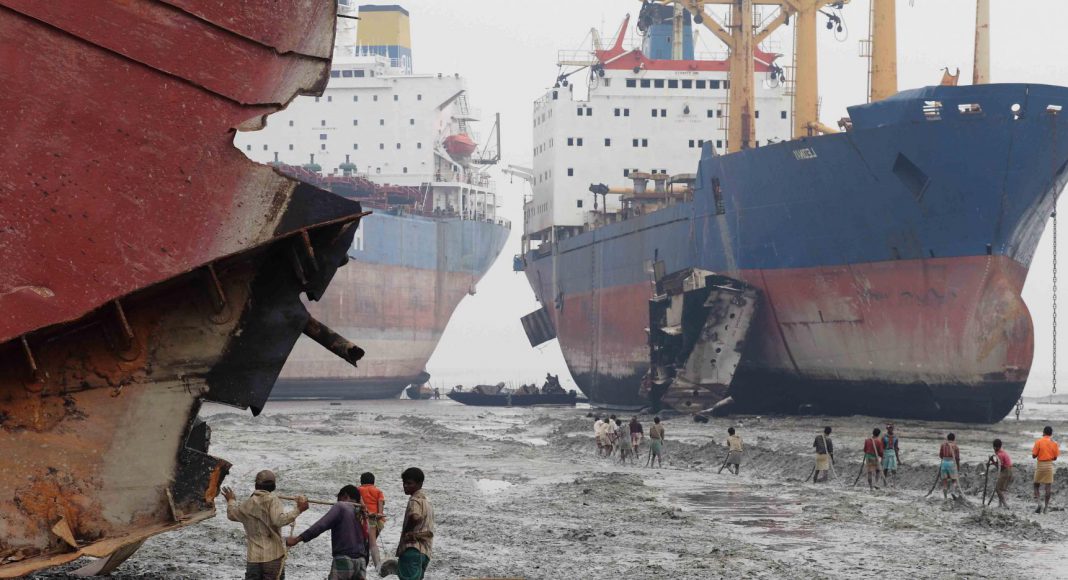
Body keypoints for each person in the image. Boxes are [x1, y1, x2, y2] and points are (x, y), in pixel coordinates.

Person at [223, 470, 308, 580]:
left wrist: (231, 500)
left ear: (256, 485)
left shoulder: (247, 504)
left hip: (253, 559)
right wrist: (299, 509)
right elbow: (279, 521)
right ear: (274, 486)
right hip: (273, 557)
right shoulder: (273, 500)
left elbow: (231, 514)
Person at [286, 485, 370, 580]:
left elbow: (321, 525)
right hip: (361, 563)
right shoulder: (363, 512)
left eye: (339, 498)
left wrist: (298, 539)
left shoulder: (341, 506)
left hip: (344, 561)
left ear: (345, 496)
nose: (337, 502)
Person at [396, 467, 434, 580]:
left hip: (412, 550)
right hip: (425, 552)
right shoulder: (427, 502)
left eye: (409, 483)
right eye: (404, 483)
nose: (405, 486)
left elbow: (415, 516)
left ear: (419, 484)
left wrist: (407, 531)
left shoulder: (414, 500)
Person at [358, 473, 386, 571]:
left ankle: (378, 566)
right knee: (370, 543)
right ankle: (375, 565)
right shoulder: (378, 491)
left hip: (367, 520)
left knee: (371, 543)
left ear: (361, 481)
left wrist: (366, 511)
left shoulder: (359, 489)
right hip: (378, 520)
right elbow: (381, 503)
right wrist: (380, 513)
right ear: (373, 482)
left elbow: (361, 502)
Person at [1032, 426, 1060, 513]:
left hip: (1040, 465)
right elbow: (1055, 458)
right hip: (1049, 466)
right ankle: (1046, 508)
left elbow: (1034, 456)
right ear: (1051, 434)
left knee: (1036, 485)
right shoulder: (1054, 443)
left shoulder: (1038, 441)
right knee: (1048, 487)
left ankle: (1039, 503)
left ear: (1043, 432)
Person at [988, 439, 1013, 509]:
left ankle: (1005, 505)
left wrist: (992, 461)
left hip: (1005, 471)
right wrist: (992, 462)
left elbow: (1000, 467)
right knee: (1001, 489)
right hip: (1008, 470)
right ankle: (1000, 505)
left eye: (994, 447)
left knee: (998, 489)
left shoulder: (999, 454)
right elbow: (1000, 464)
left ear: (995, 447)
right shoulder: (1002, 452)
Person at [939, 433, 963, 499]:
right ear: (954, 439)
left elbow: (940, 455)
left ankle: (945, 497)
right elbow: (957, 459)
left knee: (944, 481)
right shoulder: (956, 447)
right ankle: (952, 491)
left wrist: (944, 458)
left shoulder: (943, 445)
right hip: (952, 463)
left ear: (947, 438)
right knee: (954, 480)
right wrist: (958, 468)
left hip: (944, 463)